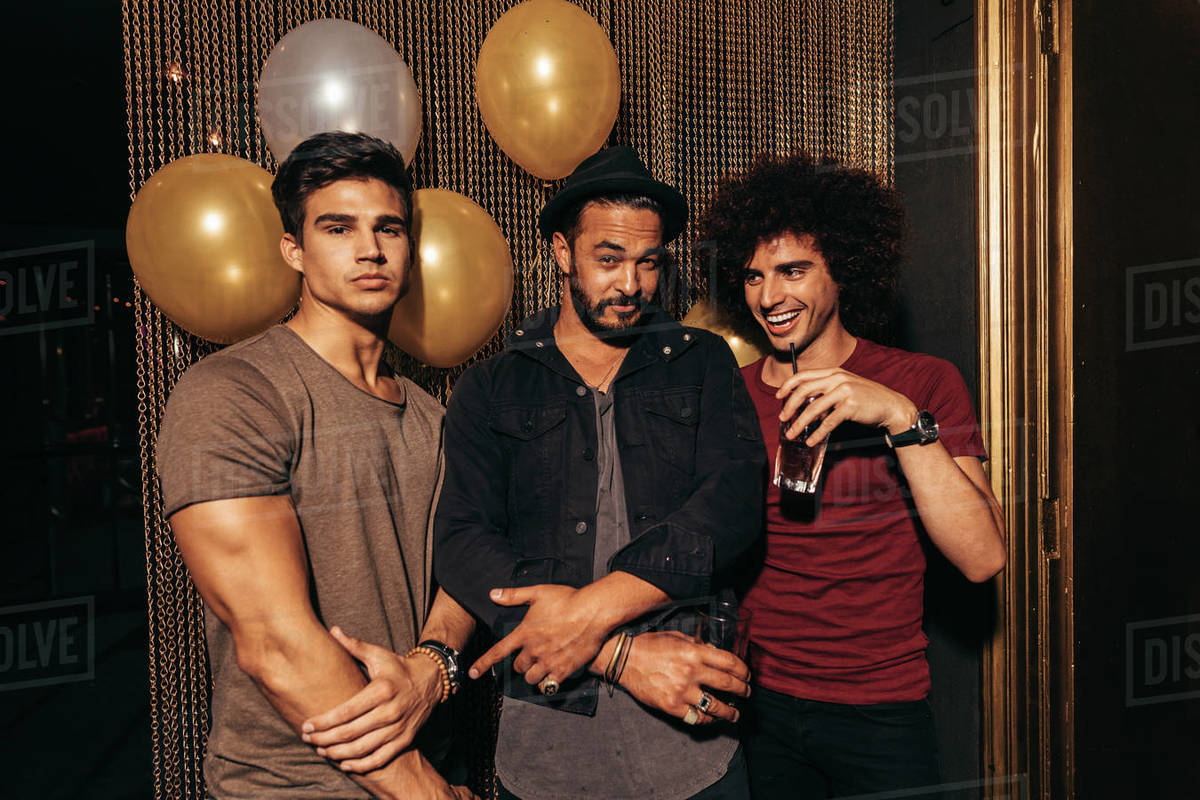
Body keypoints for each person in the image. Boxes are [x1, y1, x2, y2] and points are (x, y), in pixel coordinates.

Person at [432, 146, 767, 800]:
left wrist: (591, 612)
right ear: (561, 251)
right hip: (549, 753)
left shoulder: (700, 363)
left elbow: (730, 507)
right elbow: (463, 544)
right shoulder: (492, 388)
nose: (630, 286)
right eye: (607, 259)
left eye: (647, 263)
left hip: (693, 746)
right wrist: (619, 655)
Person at [157, 131, 476, 800]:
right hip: (293, 786)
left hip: (435, 763)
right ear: (293, 250)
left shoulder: (433, 417)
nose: (370, 249)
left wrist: (433, 663)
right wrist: (431, 795)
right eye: (338, 228)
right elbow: (275, 643)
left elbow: (470, 560)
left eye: (388, 228)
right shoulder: (234, 393)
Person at [700, 152, 1007, 799]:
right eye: (754, 276)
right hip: (763, 710)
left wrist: (897, 416)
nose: (769, 296)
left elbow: (982, 558)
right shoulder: (731, 396)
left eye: (792, 271)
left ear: (843, 266)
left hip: (881, 711)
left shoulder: (922, 384)